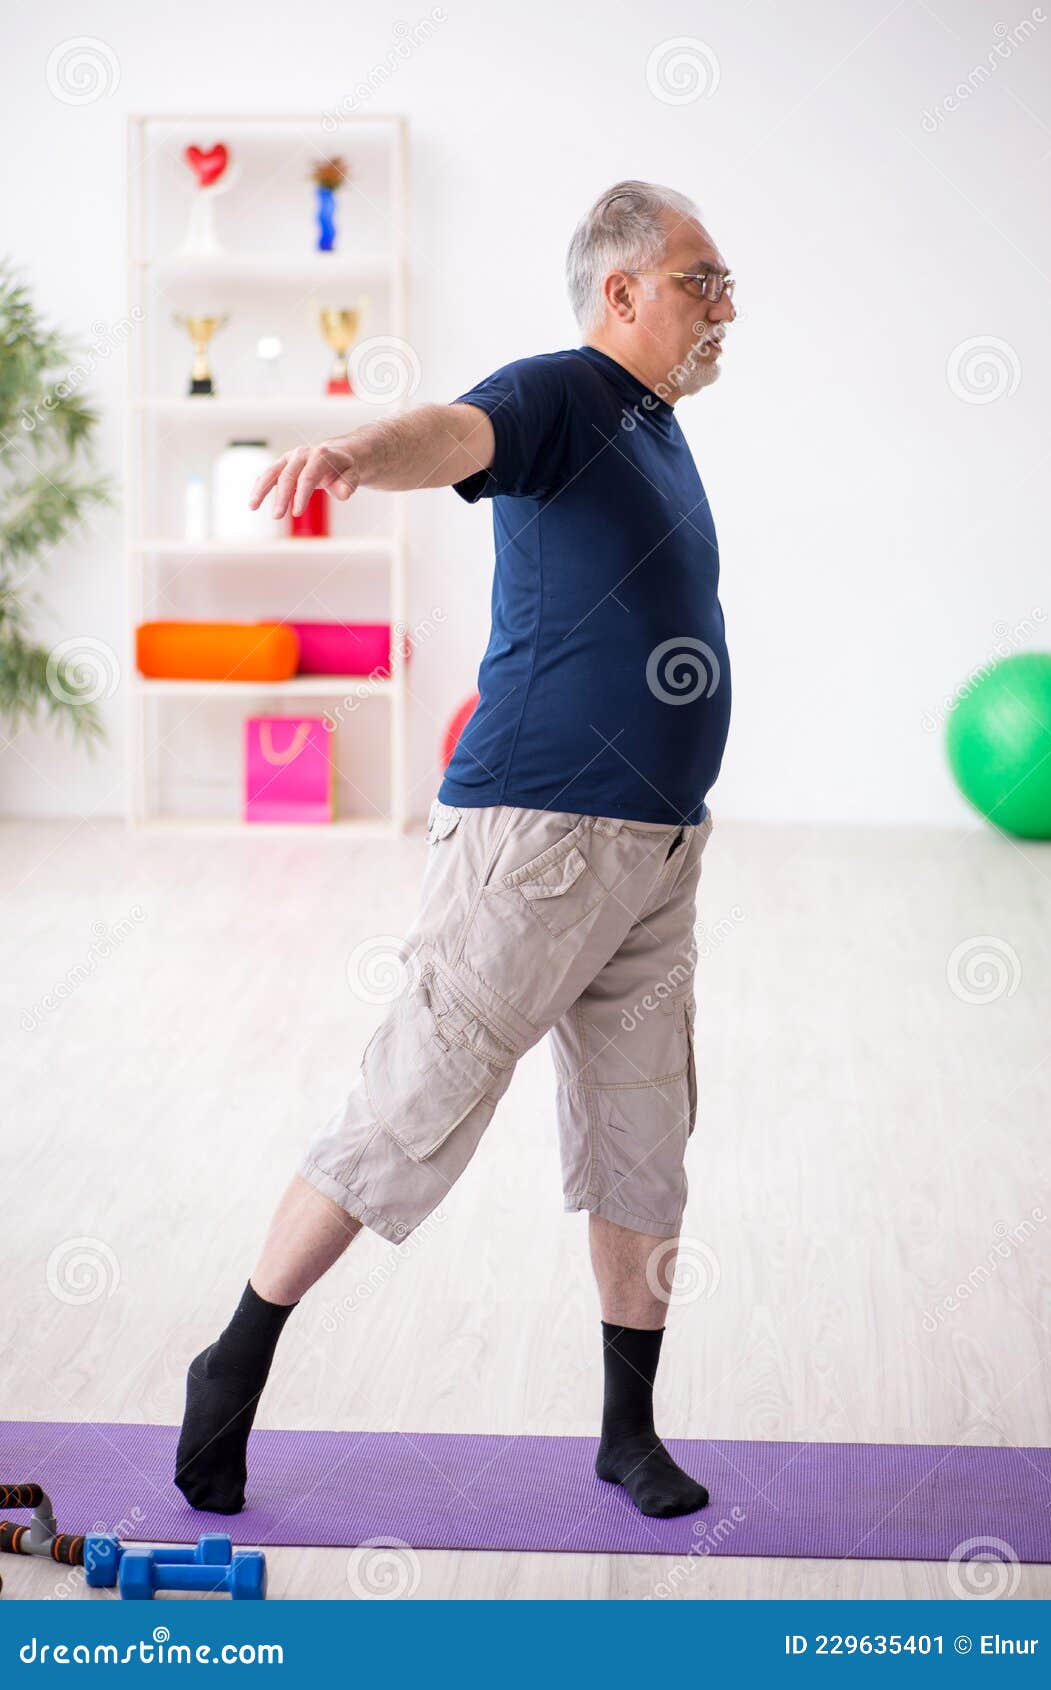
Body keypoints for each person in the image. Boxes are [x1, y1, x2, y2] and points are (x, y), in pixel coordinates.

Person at [175, 179, 735, 1521]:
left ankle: (626, 1428)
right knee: (417, 1105)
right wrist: (361, 454)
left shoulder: (659, 427)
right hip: (537, 839)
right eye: (700, 282)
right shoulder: (563, 391)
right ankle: (234, 1357)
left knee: (648, 1132)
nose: (724, 308)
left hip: (659, 850)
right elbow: (454, 432)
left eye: (726, 287)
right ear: (621, 291)